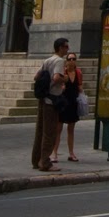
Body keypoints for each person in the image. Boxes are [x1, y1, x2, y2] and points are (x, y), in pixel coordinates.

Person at [31, 37, 69, 172]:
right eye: (66, 47)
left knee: (40, 131)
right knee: (50, 132)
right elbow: (56, 77)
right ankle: (45, 162)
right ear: (60, 48)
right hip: (52, 101)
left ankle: (36, 160)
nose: (68, 49)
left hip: (43, 99)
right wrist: (66, 78)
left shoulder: (48, 60)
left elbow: (36, 77)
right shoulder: (59, 61)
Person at [59, 54, 83, 162]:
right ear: (66, 61)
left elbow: (80, 86)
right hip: (63, 103)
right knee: (58, 129)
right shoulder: (63, 73)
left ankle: (71, 153)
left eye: (74, 59)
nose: (72, 61)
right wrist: (62, 86)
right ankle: (54, 153)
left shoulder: (78, 73)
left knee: (71, 129)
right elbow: (59, 86)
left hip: (73, 103)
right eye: (70, 59)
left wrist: (81, 91)